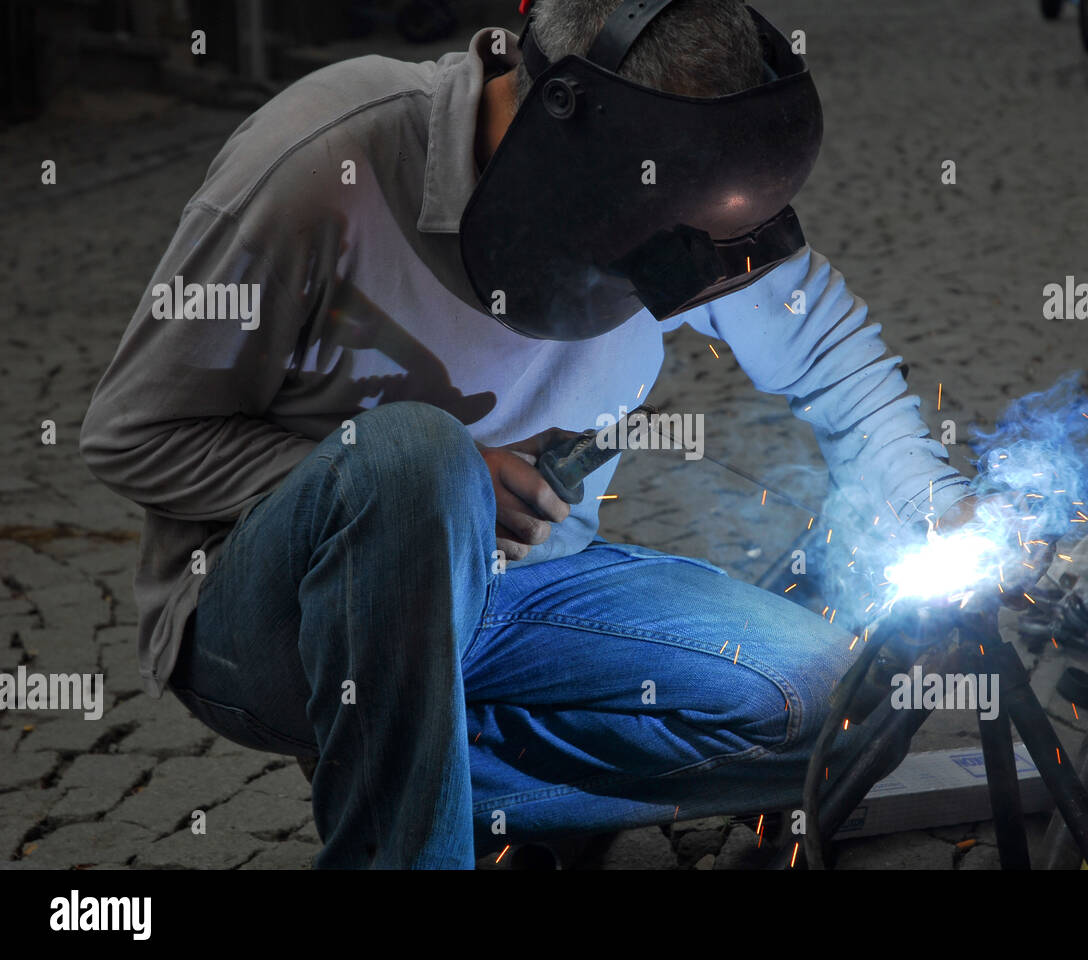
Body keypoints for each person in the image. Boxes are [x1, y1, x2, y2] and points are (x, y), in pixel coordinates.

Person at [80, 0, 973, 868]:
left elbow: (832, 362)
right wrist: (443, 485)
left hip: (520, 602)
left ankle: (434, 782)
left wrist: (940, 509)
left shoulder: (681, 189)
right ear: (566, 134)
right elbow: (135, 432)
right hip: (281, 618)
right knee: (413, 460)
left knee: (834, 698)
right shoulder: (328, 159)